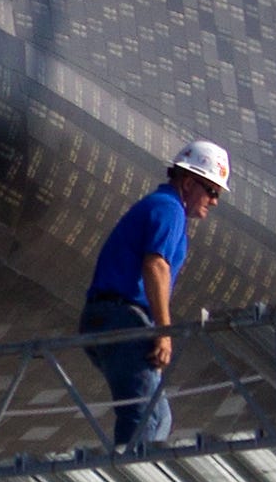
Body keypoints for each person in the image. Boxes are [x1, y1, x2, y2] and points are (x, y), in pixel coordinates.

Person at [80, 141, 229, 449]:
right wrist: (164, 331)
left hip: (109, 317)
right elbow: (155, 265)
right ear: (188, 183)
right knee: (148, 416)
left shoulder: (164, 207)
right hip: (122, 317)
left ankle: (131, 473)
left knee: (158, 416)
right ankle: (129, 481)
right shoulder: (169, 208)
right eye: (211, 191)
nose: (214, 201)